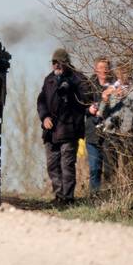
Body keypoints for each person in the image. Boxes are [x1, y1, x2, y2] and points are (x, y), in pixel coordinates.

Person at [37, 48, 94, 206]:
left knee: (67, 165)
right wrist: (44, 117)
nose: (56, 65)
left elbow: (87, 99)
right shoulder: (49, 80)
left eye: (59, 62)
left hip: (70, 129)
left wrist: (72, 87)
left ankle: (67, 198)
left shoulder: (79, 78)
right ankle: (59, 195)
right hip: (51, 131)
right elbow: (41, 101)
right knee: (52, 165)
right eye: (54, 62)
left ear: (67, 63)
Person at [99, 64, 133, 186]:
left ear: (130, 72)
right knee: (110, 168)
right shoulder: (112, 87)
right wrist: (104, 99)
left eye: (124, 72)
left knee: (129, 168)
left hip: (129, 133)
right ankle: (109, 196)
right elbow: (102, 113)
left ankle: (128, 195)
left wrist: (124, 98)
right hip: (112, 133)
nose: (121, 76)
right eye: (119, 73)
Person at [84, 57, 115, 195]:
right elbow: (80, 105)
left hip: (111, 133)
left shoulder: (115, 86)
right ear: (95, 69)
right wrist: (88, 110)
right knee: (94, 168)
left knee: (110, 169)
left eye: (106, 67)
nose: (104, 70)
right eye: (101, 67)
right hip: (92, 133)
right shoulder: (88, 85)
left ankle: (109, 197)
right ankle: (94, 196)